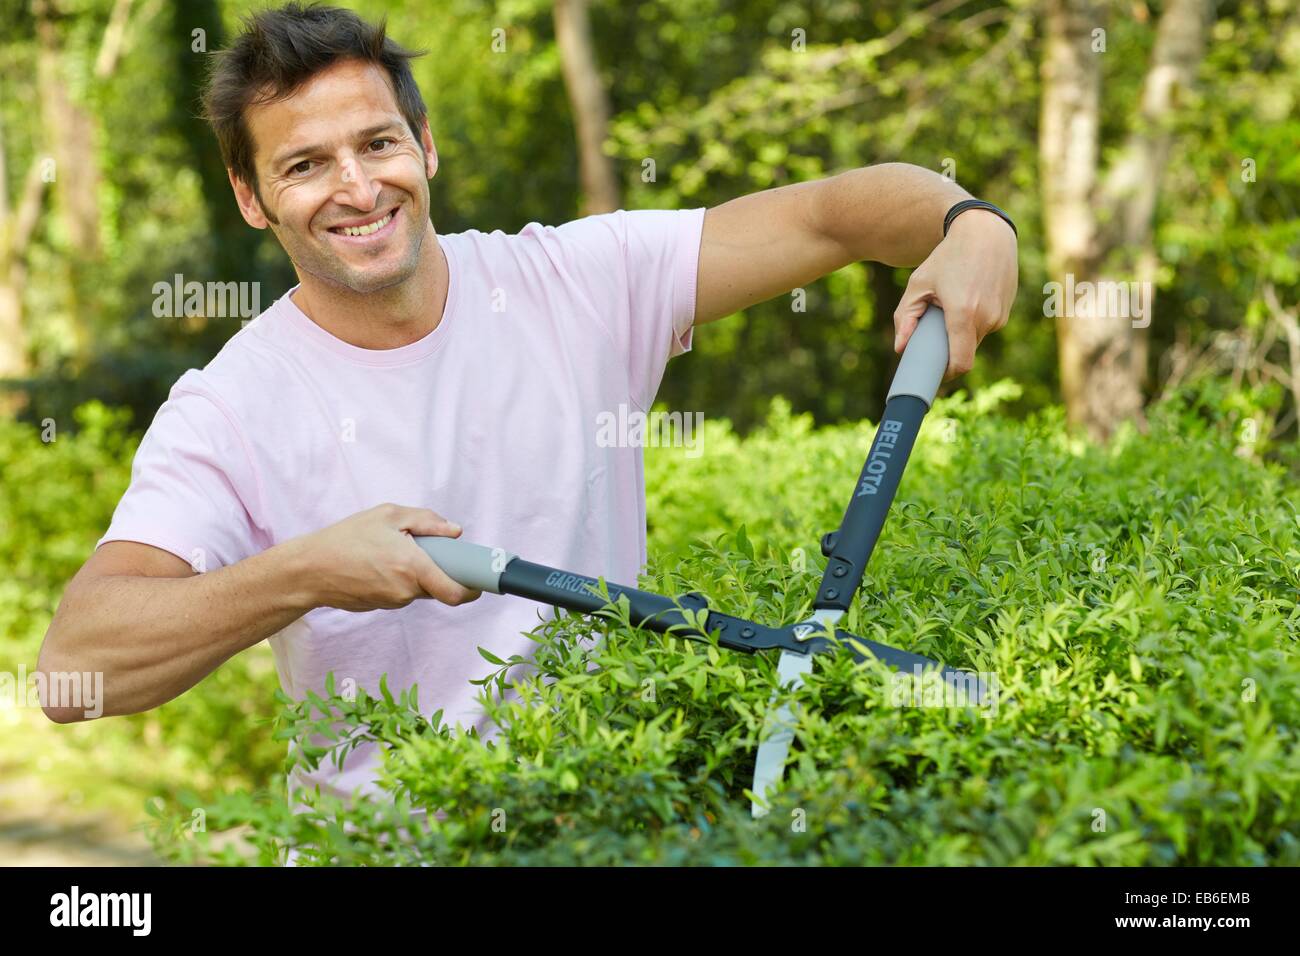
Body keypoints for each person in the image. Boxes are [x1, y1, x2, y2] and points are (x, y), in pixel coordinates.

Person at [36, 2, 1018, 854]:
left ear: (424, 147)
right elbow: (76, 672)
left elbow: (838, 216)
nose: (356, 186)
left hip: (616, 836)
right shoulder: (231, 405)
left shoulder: (577, 282)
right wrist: (309, 568)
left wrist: (970, 223)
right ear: (252, 198)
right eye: (304, 164)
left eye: (377, 143)